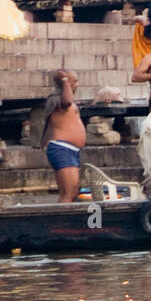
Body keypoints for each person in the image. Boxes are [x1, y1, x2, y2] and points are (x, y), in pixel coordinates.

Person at [43, 69, 86, 202]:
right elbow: (67, 102)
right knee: (69, 192)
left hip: (69, 150)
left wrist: (67, 81)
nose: (77, 84)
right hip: (62, 149)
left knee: (71, 192)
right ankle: (60, 223)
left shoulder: (65, 100)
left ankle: (62, 222)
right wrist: (65, 80)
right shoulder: (56, 100)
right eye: (74, 81)